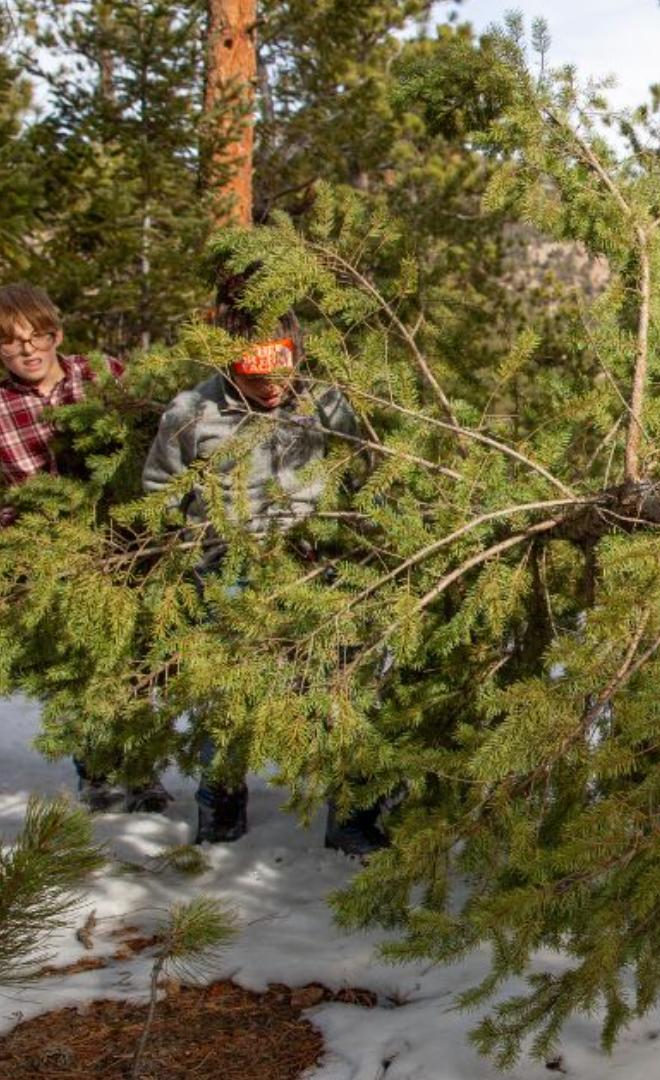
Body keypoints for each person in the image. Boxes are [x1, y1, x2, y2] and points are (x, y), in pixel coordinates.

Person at [141, 302, 385, 852]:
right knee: (224, 694)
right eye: (255, 377)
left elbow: (361, 465)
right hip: (228, 567)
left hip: (315, 562)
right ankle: (220, 807)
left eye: (282, 372)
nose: (272, 387)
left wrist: (357, 531)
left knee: (347, 682)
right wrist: (194, 547)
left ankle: (352, 818)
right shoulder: (192, 413)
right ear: (229, 364)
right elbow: (160, 490)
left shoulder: (325, 404)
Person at [0, 283, 172, 813]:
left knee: (129, 657)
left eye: (37, 336)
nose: (27, 350)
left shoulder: (101, 376)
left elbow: (150, 441)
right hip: (45, 552)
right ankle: (95, 769)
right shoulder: (1, 406)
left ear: (57, 334)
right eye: (10, 342)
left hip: (119, 541)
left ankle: (141, 769)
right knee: (73, 661)